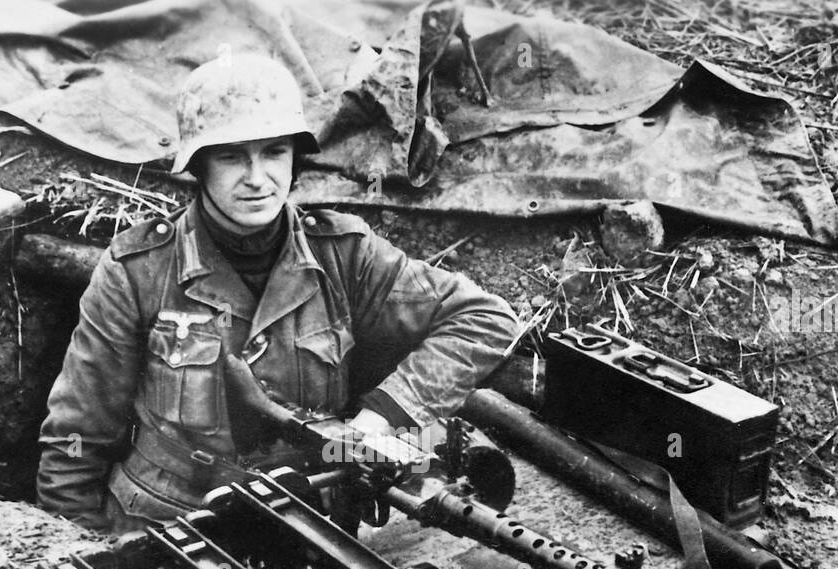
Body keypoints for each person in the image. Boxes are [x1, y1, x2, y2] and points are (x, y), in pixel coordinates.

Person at [37, 53, 520, 533]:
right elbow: (77, 435)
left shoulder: (343, 253)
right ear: (198, 166)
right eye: (231, 155)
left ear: (295, 158)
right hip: (166, 520)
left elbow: (484, 319)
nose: (256, 177)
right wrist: (80, 550)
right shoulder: (137, 270)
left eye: (273, 152)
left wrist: (381, 417)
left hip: (309, 523)